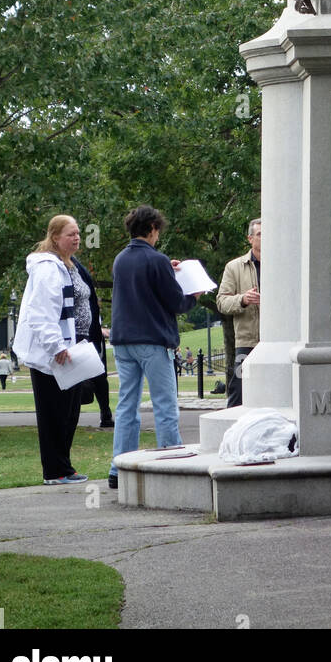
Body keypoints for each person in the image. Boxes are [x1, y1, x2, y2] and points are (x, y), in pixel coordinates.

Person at [108, 206, 203, 489]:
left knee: (127, 404)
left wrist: (166, 269)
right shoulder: (157, 259)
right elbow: (175, 302)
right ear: (151, 228)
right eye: (158, 229)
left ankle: (119, 466)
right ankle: (172, 463)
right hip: (152, 340)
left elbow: (142, 286)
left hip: (123, 341)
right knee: (164, 404)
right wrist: (193, 296)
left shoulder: (121, 259)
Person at [12, 214, 89, 485]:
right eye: (71, 234)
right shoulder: (47, 267)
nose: (77, 237)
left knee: (70, 411)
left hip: (73, 347)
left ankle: (64, 466)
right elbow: (42, 311)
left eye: (78, 233)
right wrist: (55, 345)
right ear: (55, 237)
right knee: (54, 411)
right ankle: (54, 471)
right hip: (54, 352)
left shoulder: (69, 264)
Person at [216, 218, 261, 409]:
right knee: (239, 393)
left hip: (277, 341)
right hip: (247, 342)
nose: (265, 238)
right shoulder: (234, 267)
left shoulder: (283, 265)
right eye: (260, 234)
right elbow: (221, 302)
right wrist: (242, 299)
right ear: (250, 239)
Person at [71, 255, 114, 429]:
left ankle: (105, 413)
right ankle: (105, 413)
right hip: (87, 334)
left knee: (96, 376)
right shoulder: (70, 266)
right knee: (96, 377)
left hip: (90, 333)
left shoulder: (75, 267)